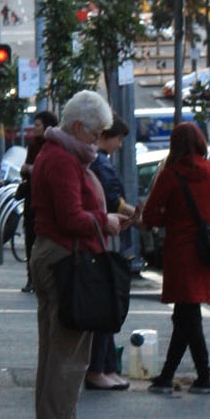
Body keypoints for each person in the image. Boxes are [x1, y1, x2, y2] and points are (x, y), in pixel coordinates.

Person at [28, 89, 117, 419]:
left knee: (54, 352)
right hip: (65, 258)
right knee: (68, 354)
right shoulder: (64, 160)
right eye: (95, 134)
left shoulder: (55, 153)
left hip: (52, 255)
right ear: (78, 126)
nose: (97, 142)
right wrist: (105, 221)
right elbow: (71, 217)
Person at [139, 121, 210, 394]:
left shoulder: (170, 175)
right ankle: (169, 377)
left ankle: (202, 376)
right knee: (185, 315)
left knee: (187, 315)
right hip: (204, 253)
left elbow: (152, 217)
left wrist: (170, 217)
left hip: (180, 252)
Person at [85, 113, 134, 391]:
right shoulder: (101, 165)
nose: (120, 145)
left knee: (107, 306)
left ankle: (106, 366)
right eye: (118, 139)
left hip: (104, 238)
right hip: (105, 240)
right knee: (107, 305)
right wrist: (137, 216)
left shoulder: (97, 162)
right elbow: (114, 201)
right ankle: (99, 368)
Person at [17, 109, 57, 293]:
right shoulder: (33, 145)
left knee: (43, 240)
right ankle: (30, 277)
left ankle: (42, 277)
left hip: (46, 201)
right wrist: (27, 169)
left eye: (38, 125)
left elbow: (50, 170)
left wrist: (33, 169)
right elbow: (25, 168)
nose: (34, 129)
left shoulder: (54, 145)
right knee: (30, 239)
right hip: (31, 198)